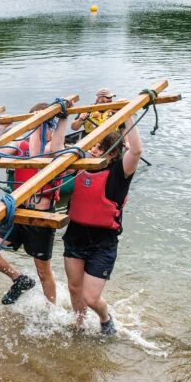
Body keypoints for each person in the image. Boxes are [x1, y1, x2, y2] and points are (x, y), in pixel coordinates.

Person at [0, 102, 69, 306]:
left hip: (40, 218)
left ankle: (51, 311)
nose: (44, 129)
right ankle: (19, 279)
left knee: (43, 270)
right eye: (38, 124)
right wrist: (2, 129)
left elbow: (41, 154)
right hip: (17, 212)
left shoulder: (56, 149)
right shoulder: (22, 145)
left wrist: (60, 118)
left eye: (46, 125)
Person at [61, 118, 143, 335]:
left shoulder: (119, 173)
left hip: (103, 243)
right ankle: (79, 324)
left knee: (90, 297)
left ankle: (105, 319)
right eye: (94, 146)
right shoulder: (79, 166)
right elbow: (55, 150)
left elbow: (135, 151)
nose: (94, 151)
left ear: (113, 154)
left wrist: (128, 118)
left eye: (100, 148)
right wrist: (62, 119)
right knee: (74, 288)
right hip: (75, 237)